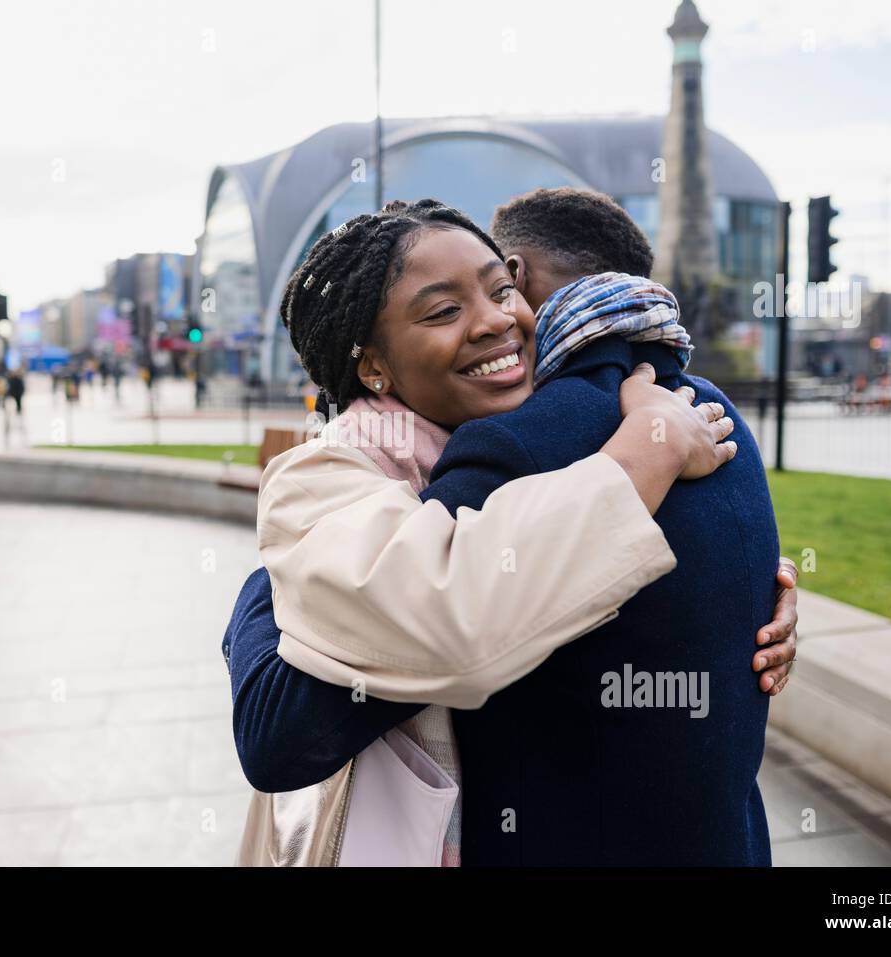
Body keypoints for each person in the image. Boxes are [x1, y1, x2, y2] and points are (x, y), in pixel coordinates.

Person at [226, 197, 797, 866]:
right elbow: (280, 729)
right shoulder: (356, 468)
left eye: (501, 290)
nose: (496, 320)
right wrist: (650, 447)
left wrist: (756, 596)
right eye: (443, 310)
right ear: (373, 364)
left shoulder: (539, 437)